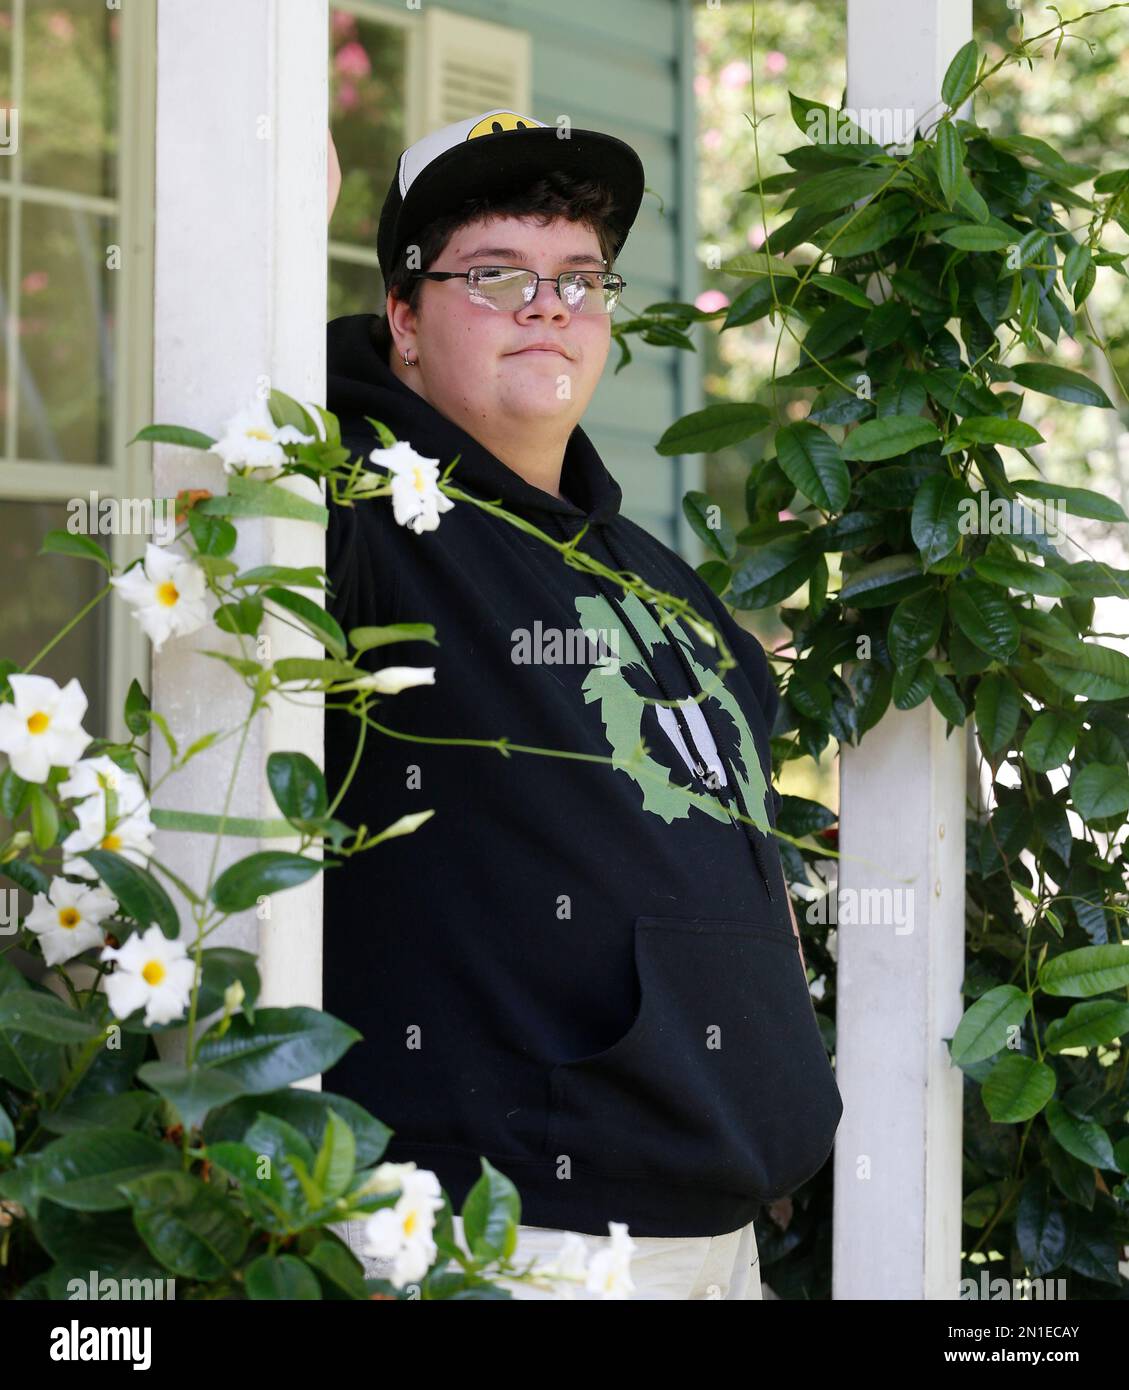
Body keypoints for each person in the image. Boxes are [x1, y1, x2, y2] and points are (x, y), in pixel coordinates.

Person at [321, 110, 843, 1300]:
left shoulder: (653, 577)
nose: (546, 304)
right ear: (402, 319)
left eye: (577, 278)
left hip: (712, 1234)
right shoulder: (354, 515)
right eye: (495, 272)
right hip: (508, 1229)